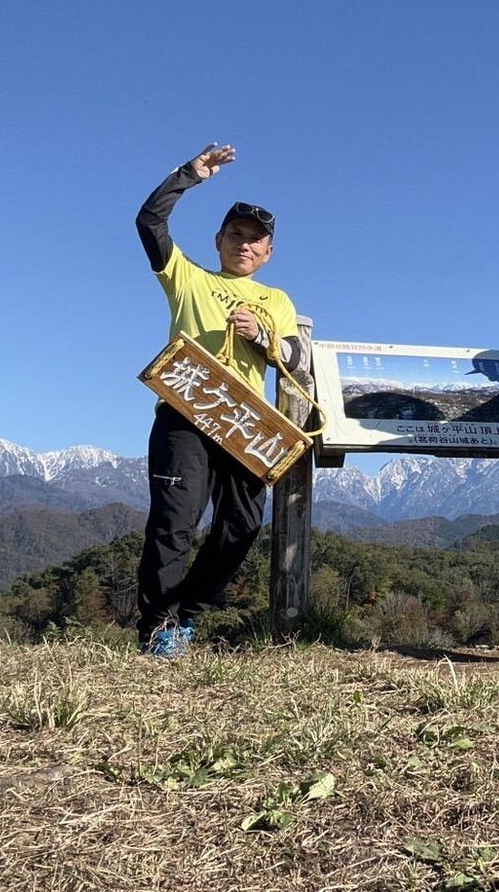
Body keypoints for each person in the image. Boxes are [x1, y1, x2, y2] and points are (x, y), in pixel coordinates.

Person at [133, 142, 303, 657]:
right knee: (174, 523)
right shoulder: (187, 277)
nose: (244, 246)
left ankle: (187, 619)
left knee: (241, 527)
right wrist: (190, 174)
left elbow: (296, 359)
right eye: (236, 236)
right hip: (184, 413)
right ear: (218, 240)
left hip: (246, 422)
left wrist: (265, 338)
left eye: (256, 241)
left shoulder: (277, 301)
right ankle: (157, 630)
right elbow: (148, 224)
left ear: (268, 252)